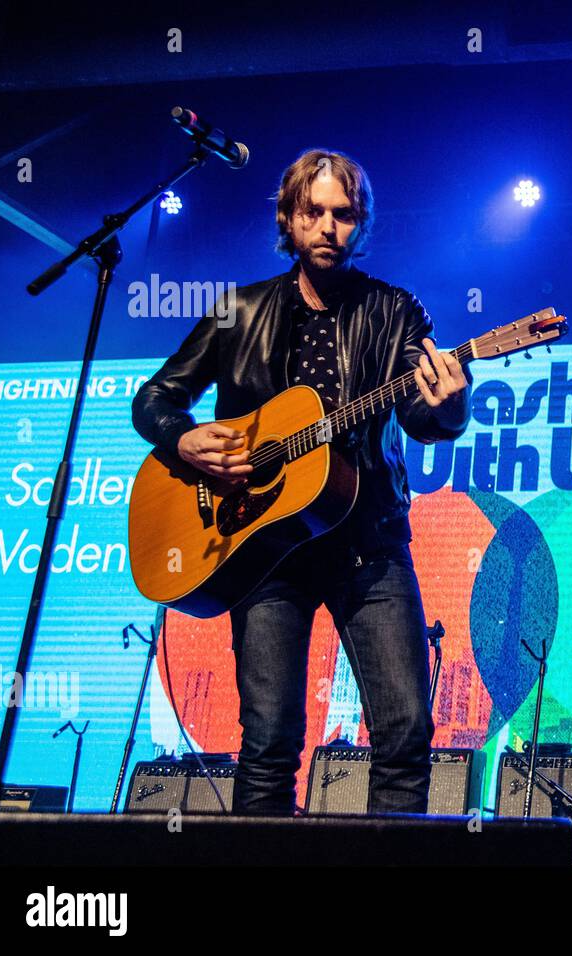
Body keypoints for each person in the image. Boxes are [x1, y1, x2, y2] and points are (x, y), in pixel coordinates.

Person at [133, 149, 470, 815]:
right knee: (268, 744)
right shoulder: (240, 311)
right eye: (312, 212)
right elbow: (155, 400)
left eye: (344, 215)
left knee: (405, 734)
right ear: (287, 218)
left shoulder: (394, 310)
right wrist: (184, 436)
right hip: (260, 554)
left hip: (366, 544)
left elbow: (420, 415)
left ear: (362, 225)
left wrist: (448, 404)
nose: (327, 227)